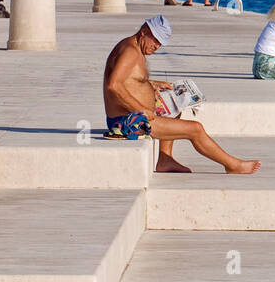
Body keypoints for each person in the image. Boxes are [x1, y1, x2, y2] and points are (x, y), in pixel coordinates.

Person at [103, 15, 260, 174]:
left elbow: (130, 80)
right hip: (128, 122)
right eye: (155, 40)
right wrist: (141, 109)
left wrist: (152, 84)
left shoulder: (132, 47)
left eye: (160, 43)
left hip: (130, 115)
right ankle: (232, 165)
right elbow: (113, 85)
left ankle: (165, 160)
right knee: (195, 129)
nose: (157, 46)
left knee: (173, 106)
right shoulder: (130, 52)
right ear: (144, 32)